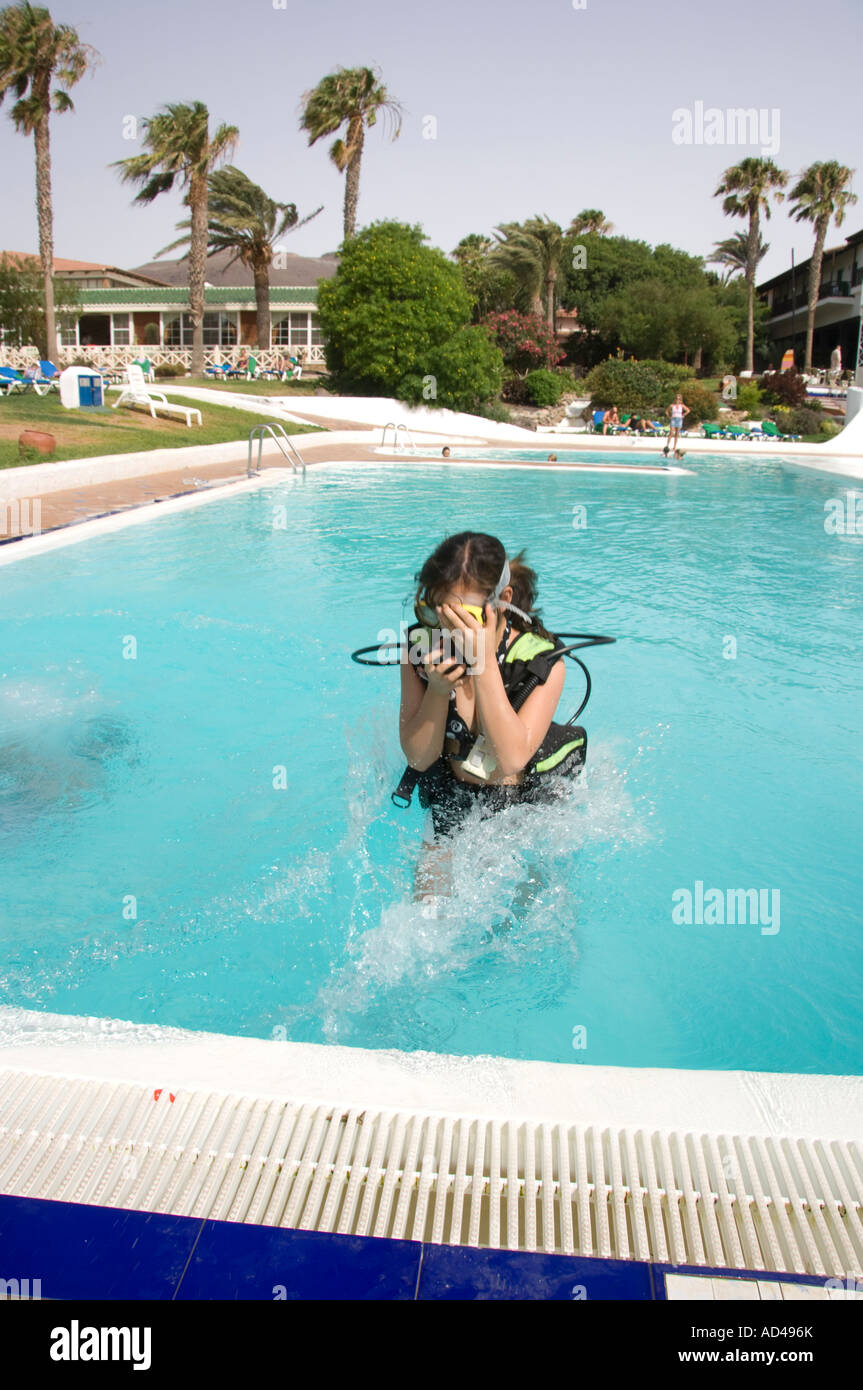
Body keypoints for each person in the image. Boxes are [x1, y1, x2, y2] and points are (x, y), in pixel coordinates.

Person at [398, 533, 566, 906]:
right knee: (426, 919)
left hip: (523, 803)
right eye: (436, 613)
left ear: (501, 603)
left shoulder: (542, 664)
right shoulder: (421, 649)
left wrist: (484, 663)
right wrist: (439, 691)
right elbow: (417, 758)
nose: (449, 631)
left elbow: (510, 760)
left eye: (465, 618)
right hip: (455, 796)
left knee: (524, 918)